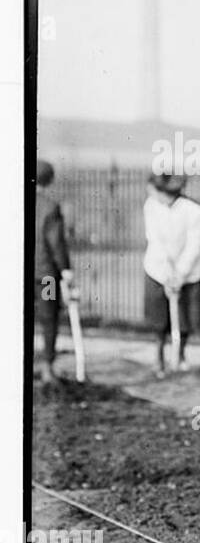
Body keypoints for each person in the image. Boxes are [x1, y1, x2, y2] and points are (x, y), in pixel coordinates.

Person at [143, 173, 200, 376]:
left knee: (186, 318)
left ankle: (179, 356)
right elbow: (155, 241)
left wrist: (180, 274)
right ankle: (159, 358)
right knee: (159, 319)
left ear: (164, 191)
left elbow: (194, 245)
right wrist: (167, 273)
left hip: (187, 274)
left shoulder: (194, 211)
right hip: (158, 271)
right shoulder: (151, 207)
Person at [33, 160, 75, 382]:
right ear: (49, 180)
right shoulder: (50, 207)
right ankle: (48, 366)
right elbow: (56, 242)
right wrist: (66, 269)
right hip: (46, 277)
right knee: (48, 318)